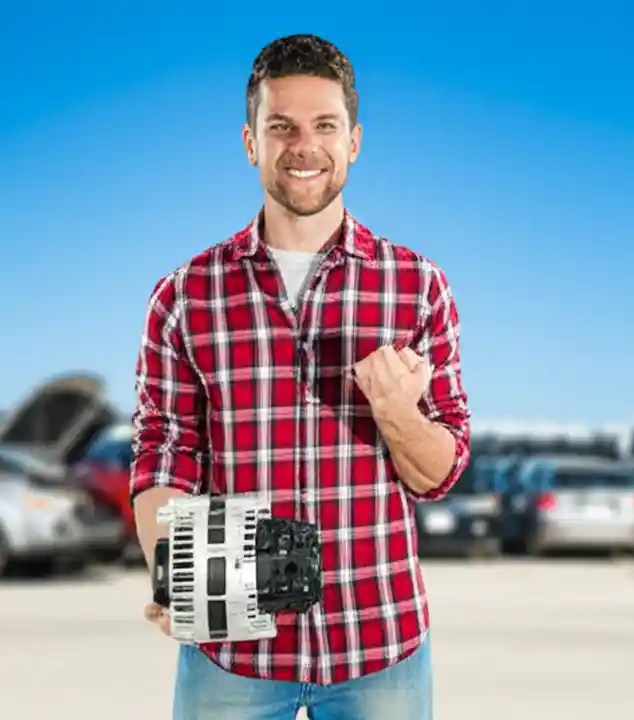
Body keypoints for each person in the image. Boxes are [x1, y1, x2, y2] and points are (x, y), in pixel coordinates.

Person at [129, 33, 471, 719]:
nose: (303, 145)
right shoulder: (185, 295)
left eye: (324, 126)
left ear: (354, 141)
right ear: (251, 141)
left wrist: (399, 414)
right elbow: (165, 451)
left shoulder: (416, 286)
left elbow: (441, 474)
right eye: (280, 126)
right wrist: (176, 573)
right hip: (235, 651)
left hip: (380, 643)